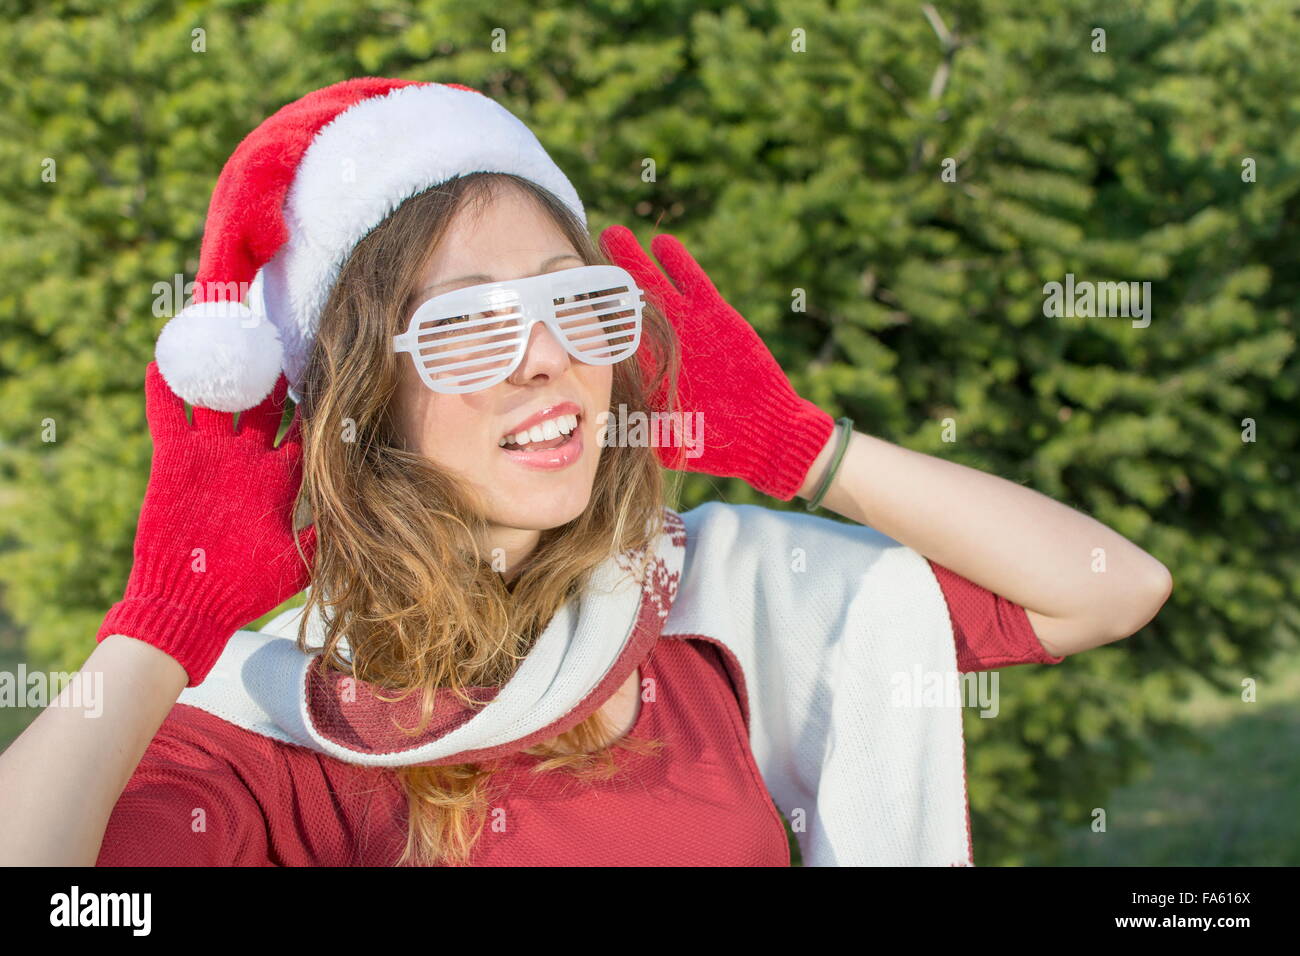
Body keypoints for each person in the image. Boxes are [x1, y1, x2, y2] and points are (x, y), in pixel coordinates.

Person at [0, 78, 1172, 867]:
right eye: (466, 330)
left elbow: (1104, 584)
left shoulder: (714, 602)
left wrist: (804, 450)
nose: (547, 359)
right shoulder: (283, 730)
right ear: (359, 401)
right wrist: (165, 619)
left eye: (576, 304)